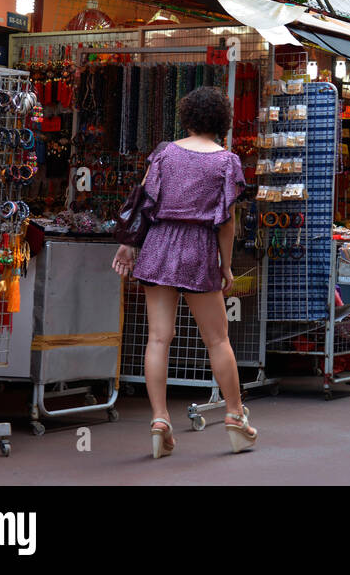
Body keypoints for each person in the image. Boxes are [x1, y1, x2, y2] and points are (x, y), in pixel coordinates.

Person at [112, 86, 255, 457]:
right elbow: (226, 222)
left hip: (158, 245)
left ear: (187, 117)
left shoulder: (164, 153)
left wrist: (128, 244)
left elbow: (143, 202)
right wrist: (226, 265)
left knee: (158, 338)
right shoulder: (227, 162)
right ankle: (235, 416)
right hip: (198, 248)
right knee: (217, 339)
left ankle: (160, 420)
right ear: (222, 121)